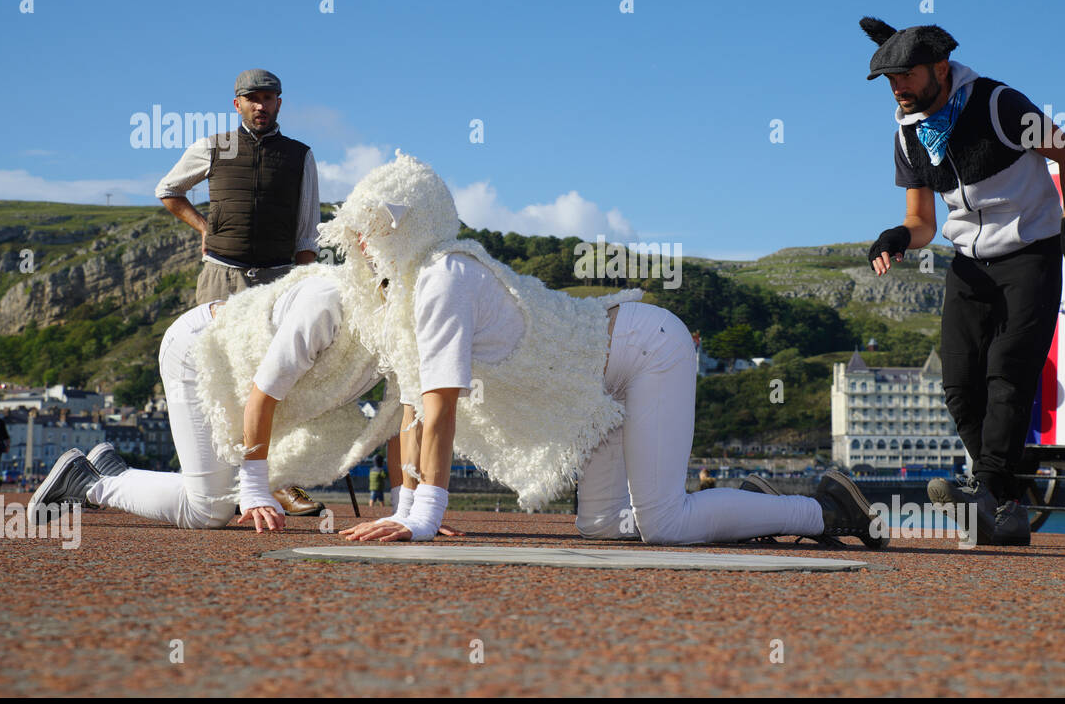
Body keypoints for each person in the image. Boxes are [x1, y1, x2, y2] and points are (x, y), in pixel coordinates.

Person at [328, 155, 886, 549]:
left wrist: (425, 515)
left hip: (647, 349)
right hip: (596, 390)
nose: (360, 243)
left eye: (371, 228)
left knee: (664, 525)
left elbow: (441, 405)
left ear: (411, 225)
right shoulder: (406, 296)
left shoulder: (444, 276)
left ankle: (825, 509)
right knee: (597, 525)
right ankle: (746, 505)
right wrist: (403, 510)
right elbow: (411, 412)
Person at [859, 17, 1065, 546]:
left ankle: (988, 488)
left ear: (940, 68)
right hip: (968, 261)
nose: (897, 87)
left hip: (1030, 253)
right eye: (889, 80)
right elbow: (923, 220)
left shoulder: (1000, 106)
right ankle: (1006, 506)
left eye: (905, 75)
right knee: (958, 385)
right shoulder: (908, 135)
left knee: (1007, 373)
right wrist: (898, 237)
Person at [27, 263, 406, 532]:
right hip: (199, 351)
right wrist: (255, 490)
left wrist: (409, 512)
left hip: (235, 373)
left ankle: (110, 471)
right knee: (207, 512)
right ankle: (90, 483)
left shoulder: (406, 329)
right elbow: (263, 391)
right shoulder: (327, 303)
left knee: (216, 501)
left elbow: (401, 420)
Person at [155, 68, 325, 517]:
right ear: (237, 104)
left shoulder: (300, 155)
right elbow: (168, 190)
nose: (261, 105)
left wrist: (305, 287)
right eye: (252, 98)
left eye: (269, 98)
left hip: (278, 281)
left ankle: (283, 481)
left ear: (280, 104)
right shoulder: (213, 146)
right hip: (221, 276)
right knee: (218, 378)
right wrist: (204, 227)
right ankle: (222, 482)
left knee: (279, 381)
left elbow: (307, 235)